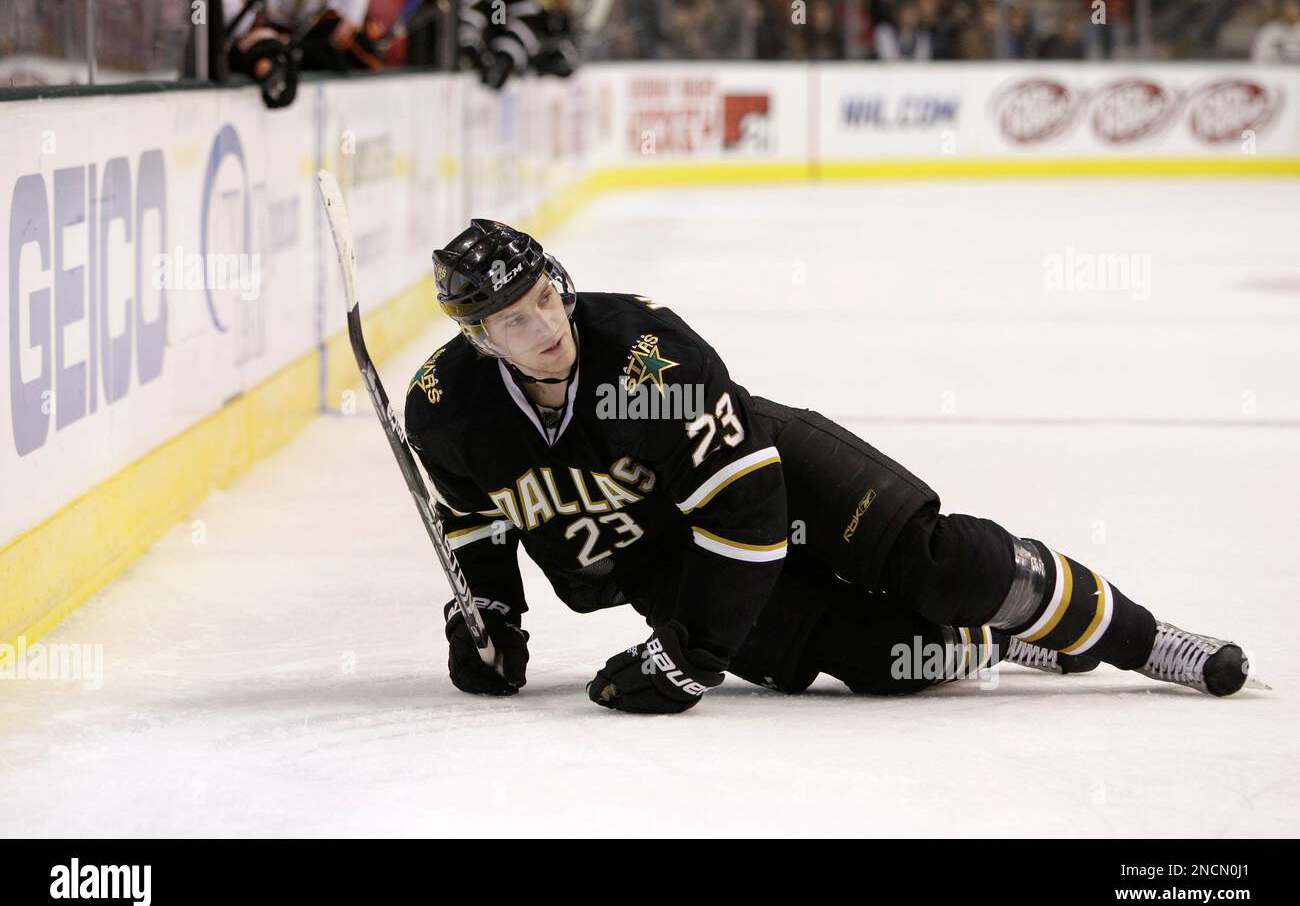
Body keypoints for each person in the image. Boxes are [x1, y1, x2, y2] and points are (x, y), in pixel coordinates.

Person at [404, 221, 1258, 714]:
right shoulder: (448, 409)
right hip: (664, 554)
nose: (546, 326)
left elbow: (744, 516)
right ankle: (1004, 643)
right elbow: (475, 521)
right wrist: (488, 616)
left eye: (547, 297)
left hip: (769, 473)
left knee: (942, 563)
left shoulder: (645, 358)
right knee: (889, 661)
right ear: (478, 340)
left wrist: (687, 658)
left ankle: (1144, 640)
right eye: (514, 322)